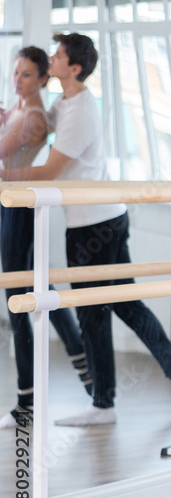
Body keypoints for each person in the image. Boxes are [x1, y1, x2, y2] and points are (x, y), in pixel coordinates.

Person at [0, 34, 171, 426]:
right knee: (124, 302)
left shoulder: (79, 111)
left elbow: (48, 172)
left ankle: (104, 403)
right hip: (101, 218)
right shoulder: (65, 102)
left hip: (94, 224)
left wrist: (4, 176)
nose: (53, 59)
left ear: (73, 68)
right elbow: (38, 124)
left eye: (57, 56)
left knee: (94, 314)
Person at [0, 46, 92, 428]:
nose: (18, 80)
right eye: (15, 72)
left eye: (26, 74)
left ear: (42, 78)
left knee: (18, 299)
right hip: (12, 207)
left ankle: (27, 403)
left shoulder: (34, 117)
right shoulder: (24, 111)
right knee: (41, 291)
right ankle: (89, 377)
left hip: (18, 210)